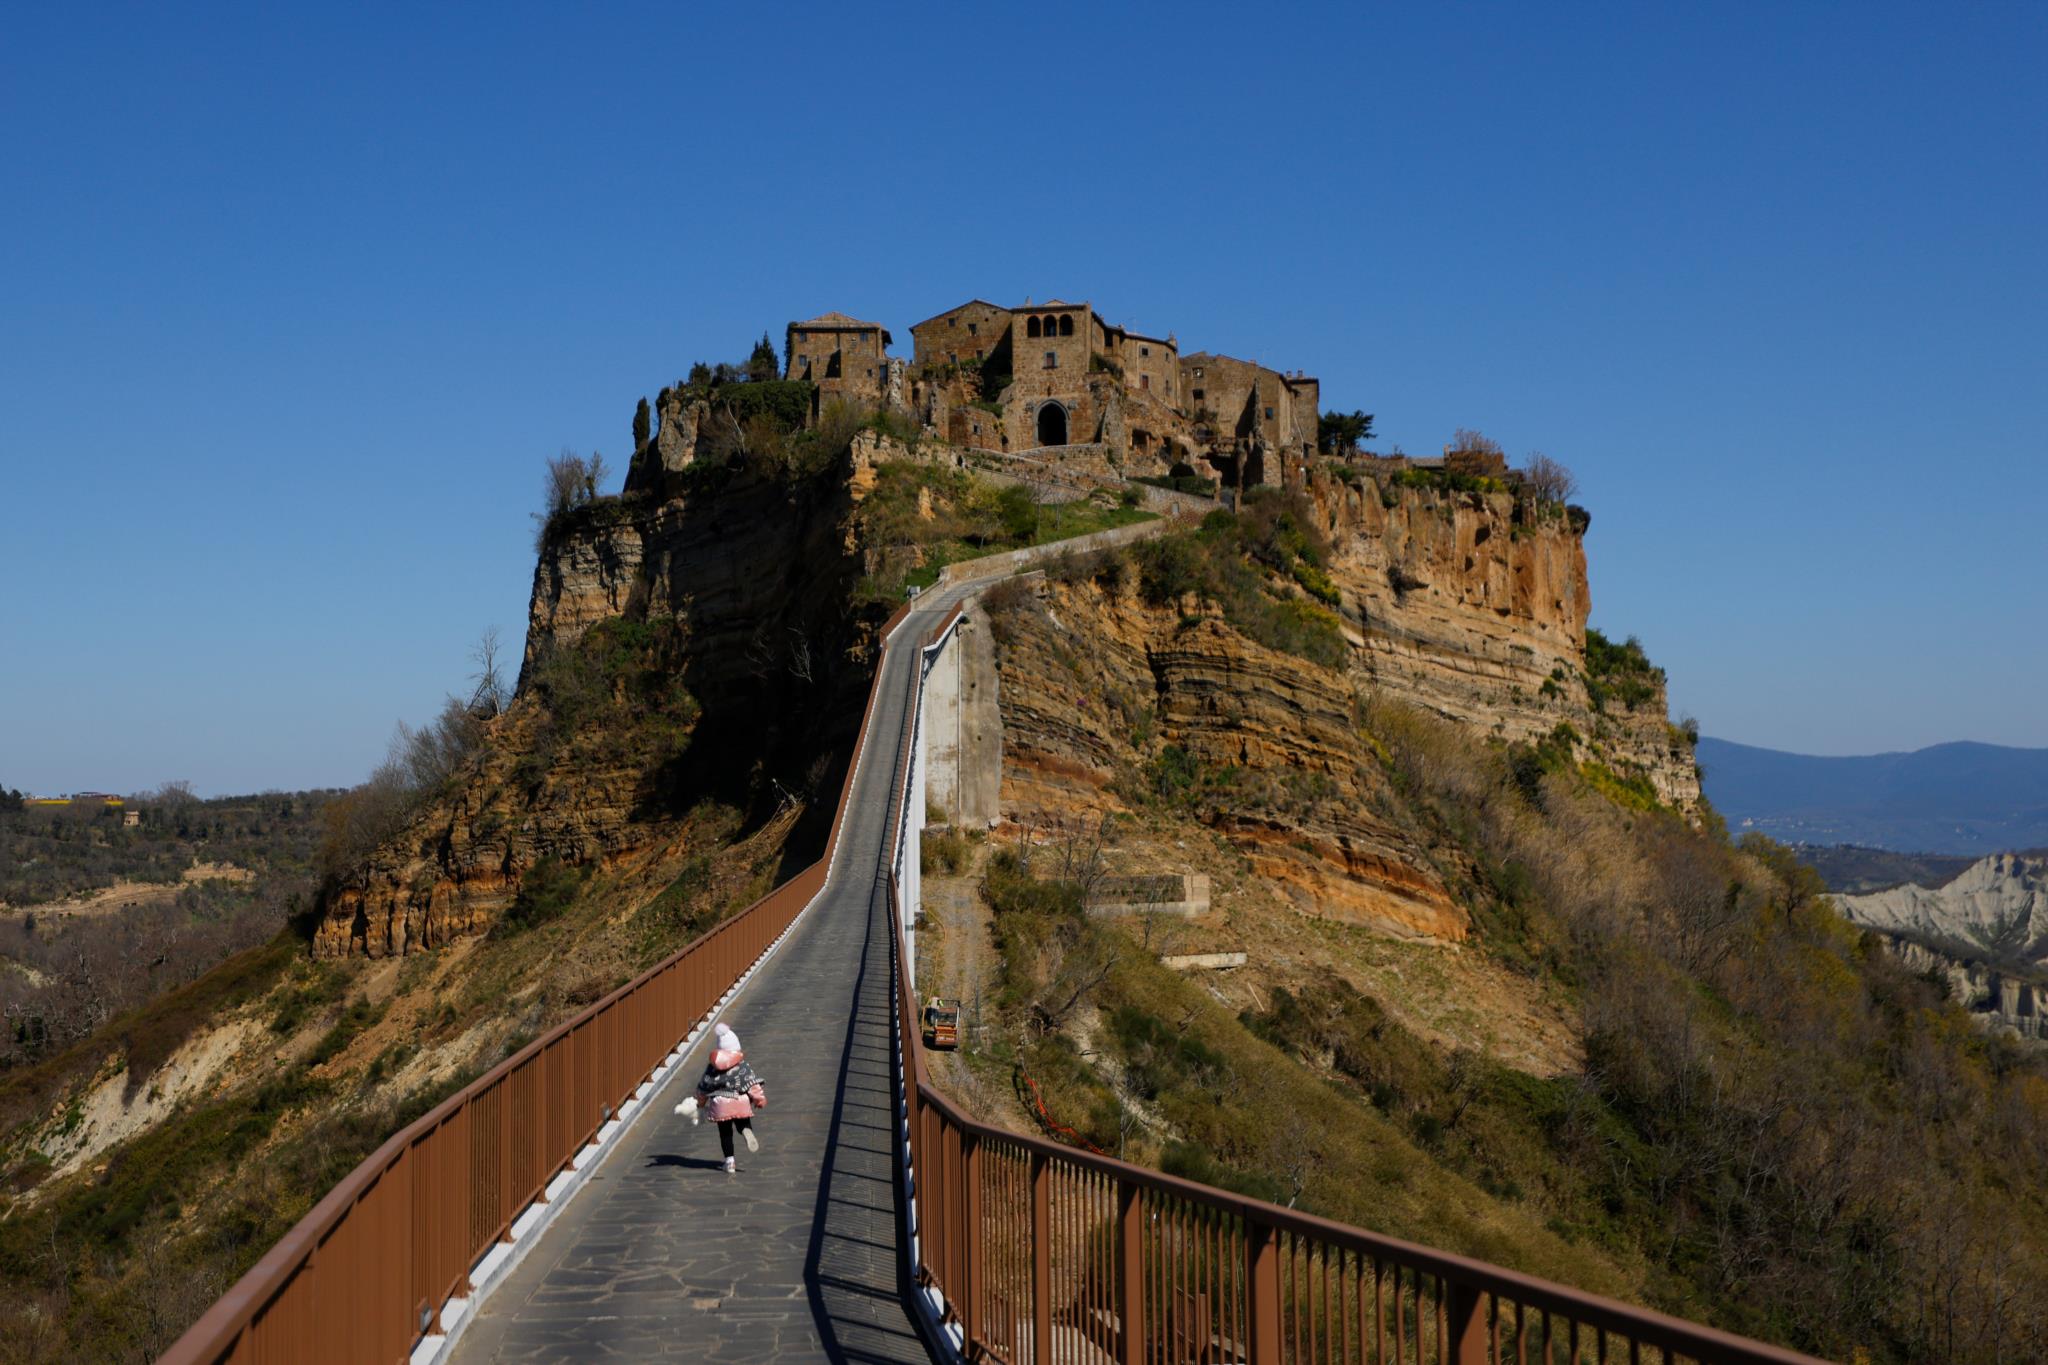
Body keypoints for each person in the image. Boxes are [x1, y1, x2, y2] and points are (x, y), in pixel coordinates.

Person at [679, 1021, 766, 1174]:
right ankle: (746, 1130)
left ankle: (730, 1162)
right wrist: (759, 1100)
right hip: (740, 1101)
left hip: (720, 1104)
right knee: (742, 1121)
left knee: (725, 1133)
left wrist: (700, 1102)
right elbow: (752, 1084)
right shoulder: (742, 1065)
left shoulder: (712, 1067)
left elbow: (704, 1087)